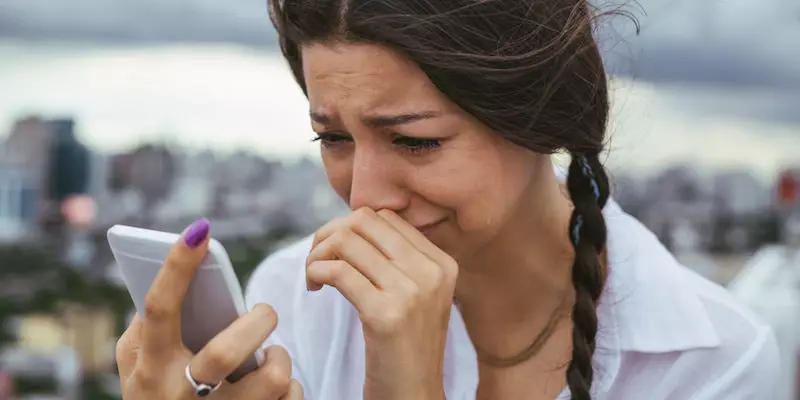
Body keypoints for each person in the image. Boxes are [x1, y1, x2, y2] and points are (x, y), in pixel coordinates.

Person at [115, 0, 781, 399]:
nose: (365, 198)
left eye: (414, 142)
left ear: (540, 121)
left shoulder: (709, 360)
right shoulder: (296, 297)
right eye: (334, 137)